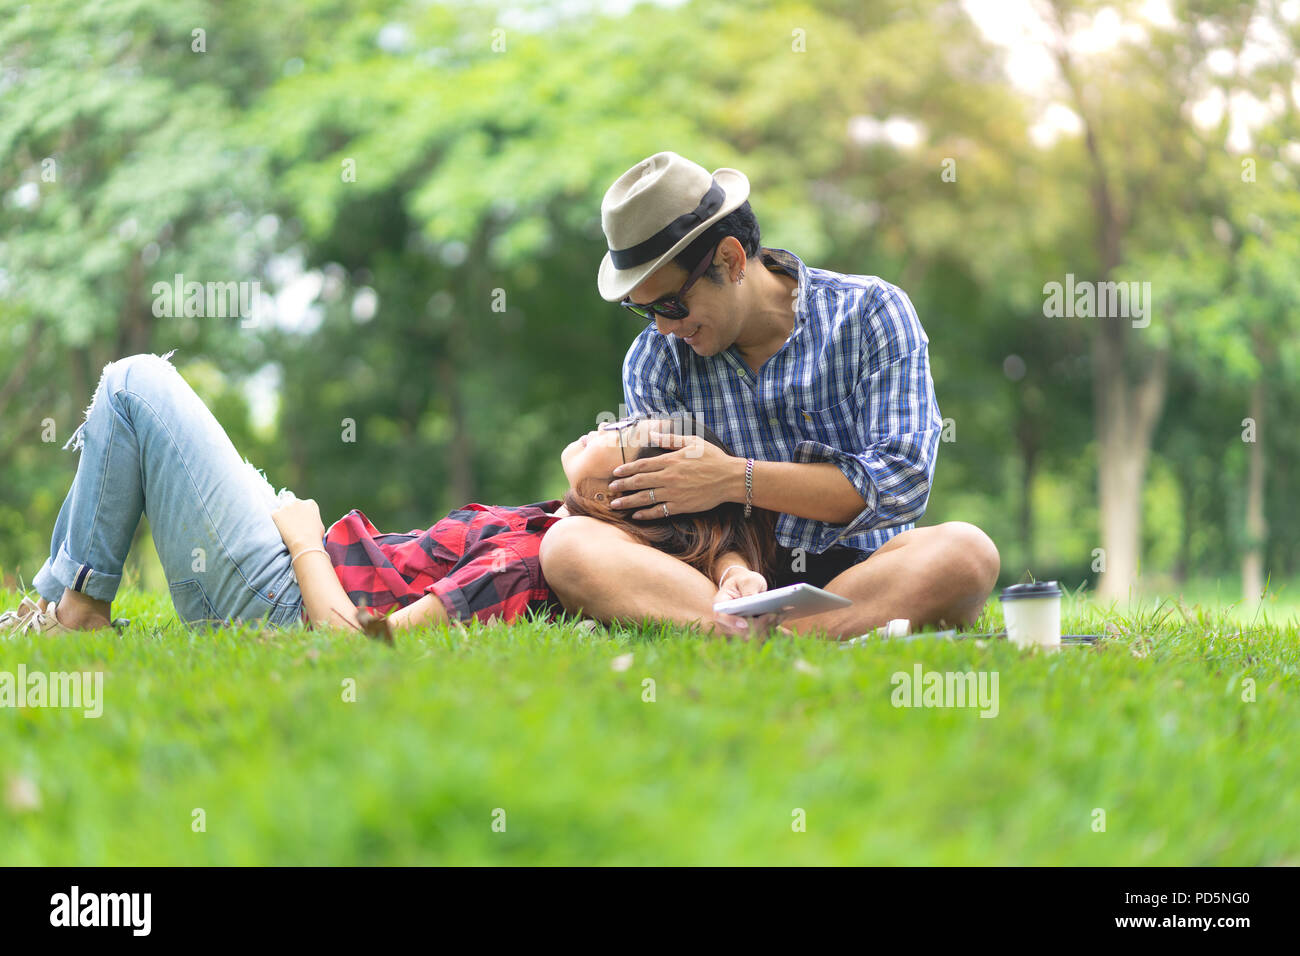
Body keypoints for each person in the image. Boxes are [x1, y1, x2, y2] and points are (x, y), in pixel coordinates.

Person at [539, 151, 1001, 639]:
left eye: (674, 304)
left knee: (966, 552)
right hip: (713, 583)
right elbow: (671, 521)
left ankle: (754, 638)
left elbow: (902, 483)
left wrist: (734, 479)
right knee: (569, 544)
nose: (666, 327)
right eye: (646, 310)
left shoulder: (871, 312)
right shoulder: (655, 359)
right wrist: (734, 572)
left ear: (731, 259)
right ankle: (790, 634)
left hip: (865, 574)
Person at [0, 353, 778, 639]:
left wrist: (304, 538)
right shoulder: (553, 524)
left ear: (630, 494)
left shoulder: (527, 562)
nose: (617, 421)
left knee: (137, 384)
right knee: (143, 406)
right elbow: (711, 532)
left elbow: (361, 648)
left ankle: (78, 612)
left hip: (280, 596)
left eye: (631, 433)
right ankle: (63, 600)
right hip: (291, 563)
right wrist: (731, 568)